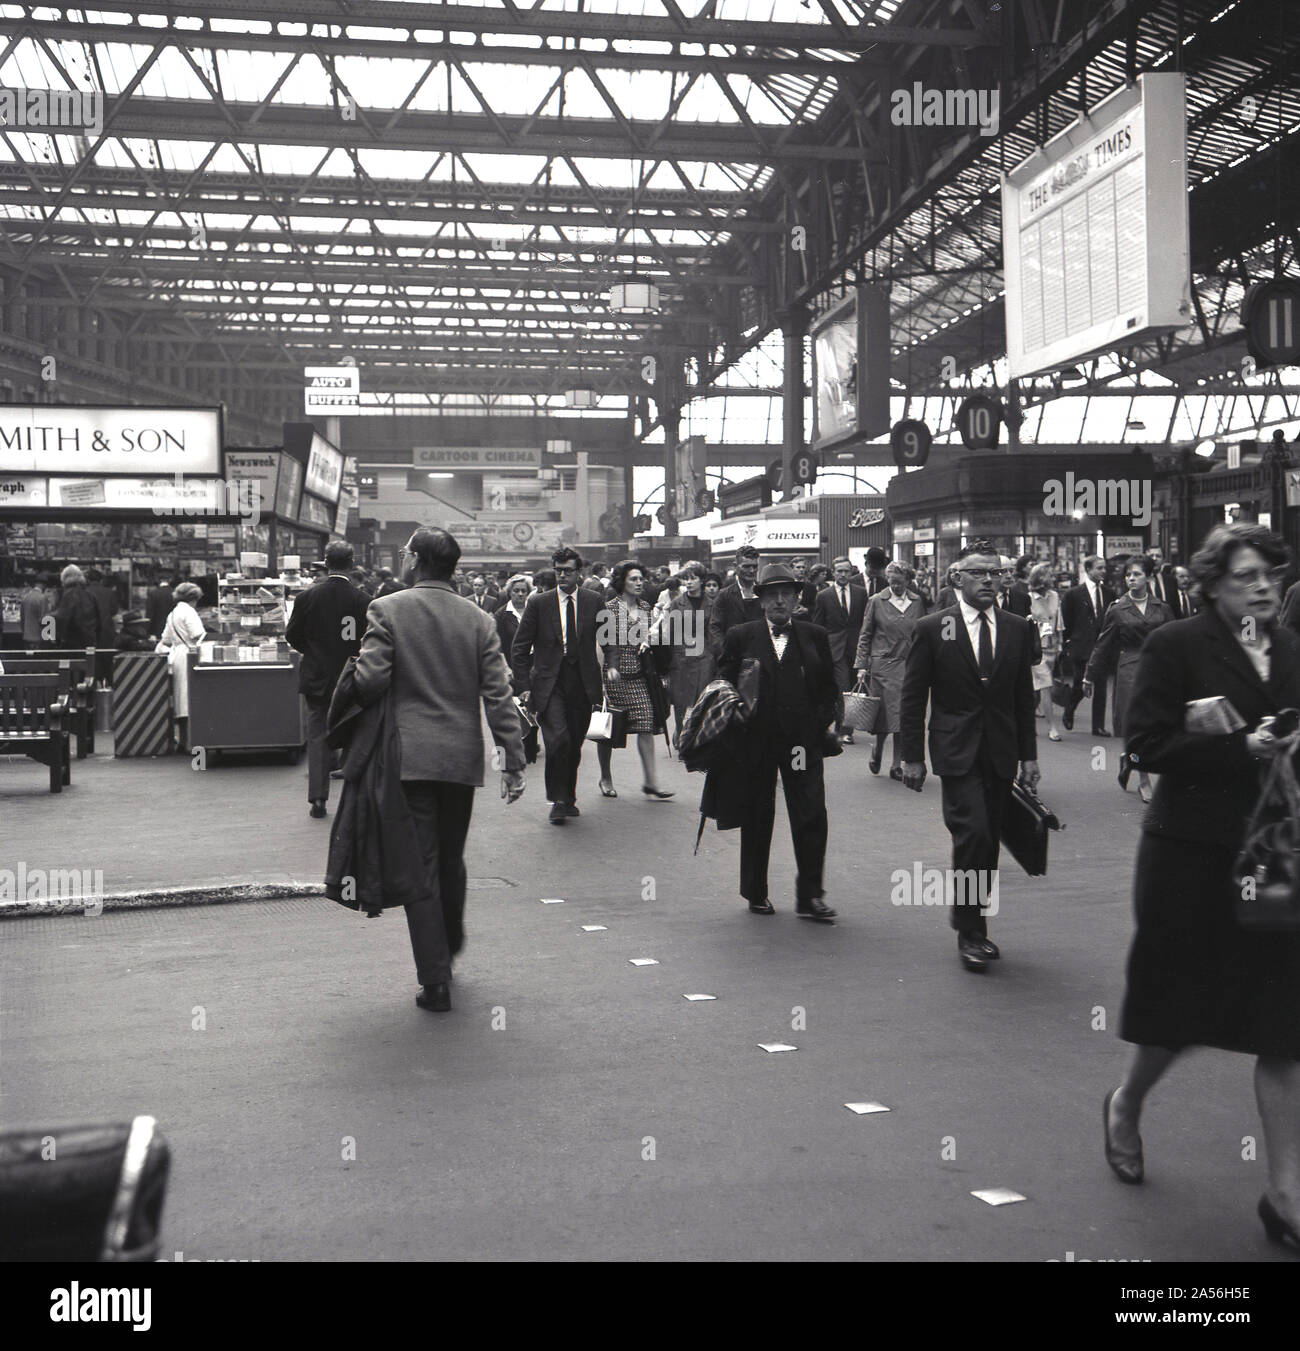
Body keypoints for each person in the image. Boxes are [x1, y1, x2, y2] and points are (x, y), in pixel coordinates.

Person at [1101, 524, 1300, 1250]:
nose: (1264, 587)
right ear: (1213, 582)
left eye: (1272, 575)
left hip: (1271, 853)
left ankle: (1285, 1195)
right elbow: (1145, 743)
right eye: (1248, 575)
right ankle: (1126, 1103)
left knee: (1285, 1025)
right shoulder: (1175, 646)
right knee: (1173, 1014)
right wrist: (1233, 747)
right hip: (1189, 855)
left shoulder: (1291, 650)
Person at [351, 527, 526, 1014]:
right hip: (460, 759)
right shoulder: (478, 619)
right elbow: (499, 695)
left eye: (408, 552)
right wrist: (512, 760)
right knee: (450, 858)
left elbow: (369, 680)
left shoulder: (387, 610)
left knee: (421, 864)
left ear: (417, 561)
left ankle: (436, 979)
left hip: (409, 760)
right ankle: (448, 942)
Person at [899, 540, 1040, 973]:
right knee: (973, 833)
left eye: (996, 573)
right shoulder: (932, 627)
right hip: (954, 748)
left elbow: (1021, 696)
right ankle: (969, 931)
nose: (989, 580)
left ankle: (977, 923)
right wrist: (912, 756)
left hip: (999, 750)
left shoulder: (1017, 628)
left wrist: (1029, 757)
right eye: (979, 573)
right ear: (957, 578)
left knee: (987, 841)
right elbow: (912, 694)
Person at [704, 565, 839, 922]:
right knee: (758, 814)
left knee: (810, 813)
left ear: (797, 599)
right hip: (756, 742)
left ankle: (811, 896)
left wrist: (816, 726)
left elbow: (828, 689)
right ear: (761, 599)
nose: (780, 600)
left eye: (787, 594)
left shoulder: (814, 636)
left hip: (799, 745)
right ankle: (755, 892)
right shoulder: (740, 636)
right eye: (772, 594)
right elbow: (723, 682)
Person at [511, 546, 604, 825]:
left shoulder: (594, 600)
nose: (562, 575)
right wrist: (524, 685)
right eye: (558, 570)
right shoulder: (539, 603)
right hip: (549, 683)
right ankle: (557, 799)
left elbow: (609, 639)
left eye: (568, 571)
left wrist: (611, 666)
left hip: (583, 682)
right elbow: (519, 648)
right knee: (557, 739)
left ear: (579, 572)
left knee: (573, 743)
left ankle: (568, 797)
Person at [286, 540, 372, 819]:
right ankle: (355, 799)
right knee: (356, 735)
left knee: (318, 738)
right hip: (352, 676)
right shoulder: (363, 600)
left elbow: (293, 636)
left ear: (325, 562)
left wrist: (312, 652)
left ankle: (318, 799)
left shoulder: (306, 598)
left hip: (317, 678)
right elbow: (370, 641)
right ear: (352, 563)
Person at [1083, 555, 1175, 804]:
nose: (1131, 579)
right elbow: (1102, 644)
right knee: (1137, 724)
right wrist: (1089, 676)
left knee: (1158, 724)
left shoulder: (1163, 608)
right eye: (1128, 575)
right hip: (1129, 670)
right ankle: (1144, 779)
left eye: (1137, 574)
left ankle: (1130, 758)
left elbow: (1175, 641)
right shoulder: (1117, 609)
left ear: (1148, 577)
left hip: (1158, 669)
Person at [595, 560, 673, 801]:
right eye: (633, 579)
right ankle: (605, 777)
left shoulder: (646, 607)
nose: (639, 583)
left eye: (641, 579)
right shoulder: (609, 608)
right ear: (622, 582)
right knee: (608, 731)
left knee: (647, 724)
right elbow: (602, 645)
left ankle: (651, 781)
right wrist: (603, 675)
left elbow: (649, 637)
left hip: (639, 677)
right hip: (615, 677)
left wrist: (649, 641)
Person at [855, 561, 926, 778]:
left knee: (903, 715)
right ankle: (877, 748)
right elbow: (865, 634)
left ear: (908, 580)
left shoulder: (916, 601)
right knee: (885, 716)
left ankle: (896, 764)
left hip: (908, 664)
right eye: (891, 582)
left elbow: (921, 634)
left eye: (899, 582)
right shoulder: (876, 601)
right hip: (883, 665)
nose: (894, 586)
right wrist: (861, 665)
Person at [813, 557, 869, 744]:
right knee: (842, 687)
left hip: (855, 647)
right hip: (834, 648)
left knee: (853, 689)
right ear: (833, 572)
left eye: (846, 571)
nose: (843, 575)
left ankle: (844, 727)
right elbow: (818, 626)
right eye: (839, 571)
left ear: (851, 572)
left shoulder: (861, 593)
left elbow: (866, 622)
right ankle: (844, 730)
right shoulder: (824, 596)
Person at [660, 562, 713, 747]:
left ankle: (696, 734)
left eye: (693, 578)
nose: (689, 582)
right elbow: (671, 634)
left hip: (704, 657)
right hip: (682, 657)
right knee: (681, 699)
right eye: (686, 579)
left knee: (702, 698)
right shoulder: (676, 604)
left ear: (701, 580)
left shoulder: (711, 603)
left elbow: (712, 632)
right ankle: (681, 732)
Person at [1061, 555, 1115, 735]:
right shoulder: (1074, 594)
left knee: (1100, 686)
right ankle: (1070, 709)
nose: (1103, 572)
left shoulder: (1109, 593)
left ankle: (1098, 726)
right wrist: (1069, 645)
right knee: (1080, 684)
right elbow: (1067, 622)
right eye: (1099, 568)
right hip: (1081, 647)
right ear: (1088, 569)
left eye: (1104, 568)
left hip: (1102, 647)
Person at [154, 581, 206, 751]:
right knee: (190, 698)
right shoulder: (189, 613)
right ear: (194, 598)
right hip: (189, 656)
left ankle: (183, 740)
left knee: (180, 700)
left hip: (176, 655)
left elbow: (165, 639)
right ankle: (192, 741)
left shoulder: (173, 613)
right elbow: (198, 635)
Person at [1027, 562, 1063, 742]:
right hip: (1036, 649)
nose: (1053, 578)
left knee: (1036, 689)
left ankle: (1027, 723)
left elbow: (1059, 621)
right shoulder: (1028, 598)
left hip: (1052, 647)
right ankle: (1052, 727)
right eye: (1049, 574)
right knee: (1045, 686)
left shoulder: (1055, 596)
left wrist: (1060, 644)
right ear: (1040, 578)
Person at [707, 545, 762, 660]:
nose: (752, 571)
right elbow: (714, 629)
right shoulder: (724, 596)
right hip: (734, 659)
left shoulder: (764, 593)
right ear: (736, 566)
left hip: (760, 657)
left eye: (755, 566)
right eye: (746, 566)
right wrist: (726, 654)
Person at [494, 574, 533, 685]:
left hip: (533, 666)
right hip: (512, 667)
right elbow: (497, 645)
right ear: (509, 592)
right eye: (516, 591)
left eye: (523, 591)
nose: (520, 594)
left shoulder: (533, 610)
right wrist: (506, 668)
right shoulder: (501, 615)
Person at [53, 565, 101, 650]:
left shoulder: (69, 595)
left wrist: (46, 619)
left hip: (73, 645)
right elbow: (98, 621)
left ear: (64, 579)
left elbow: (63, 618)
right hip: (90, 643)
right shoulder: (90, 595)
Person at [19, 576, 51, 649]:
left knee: (28, 660)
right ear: (43, 585)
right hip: (38, 638)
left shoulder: (25, 597)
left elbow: (22, 619)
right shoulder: (42, 598)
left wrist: (25, 632)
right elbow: (44, 620)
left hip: (26, 637)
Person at [145, 576, 175, 641]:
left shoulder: (153, 593)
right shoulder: (175, 593)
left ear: (159, 581)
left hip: (157, 630)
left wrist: (148, 632)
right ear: (170, 580)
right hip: (172, 629)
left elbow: (150, 613)